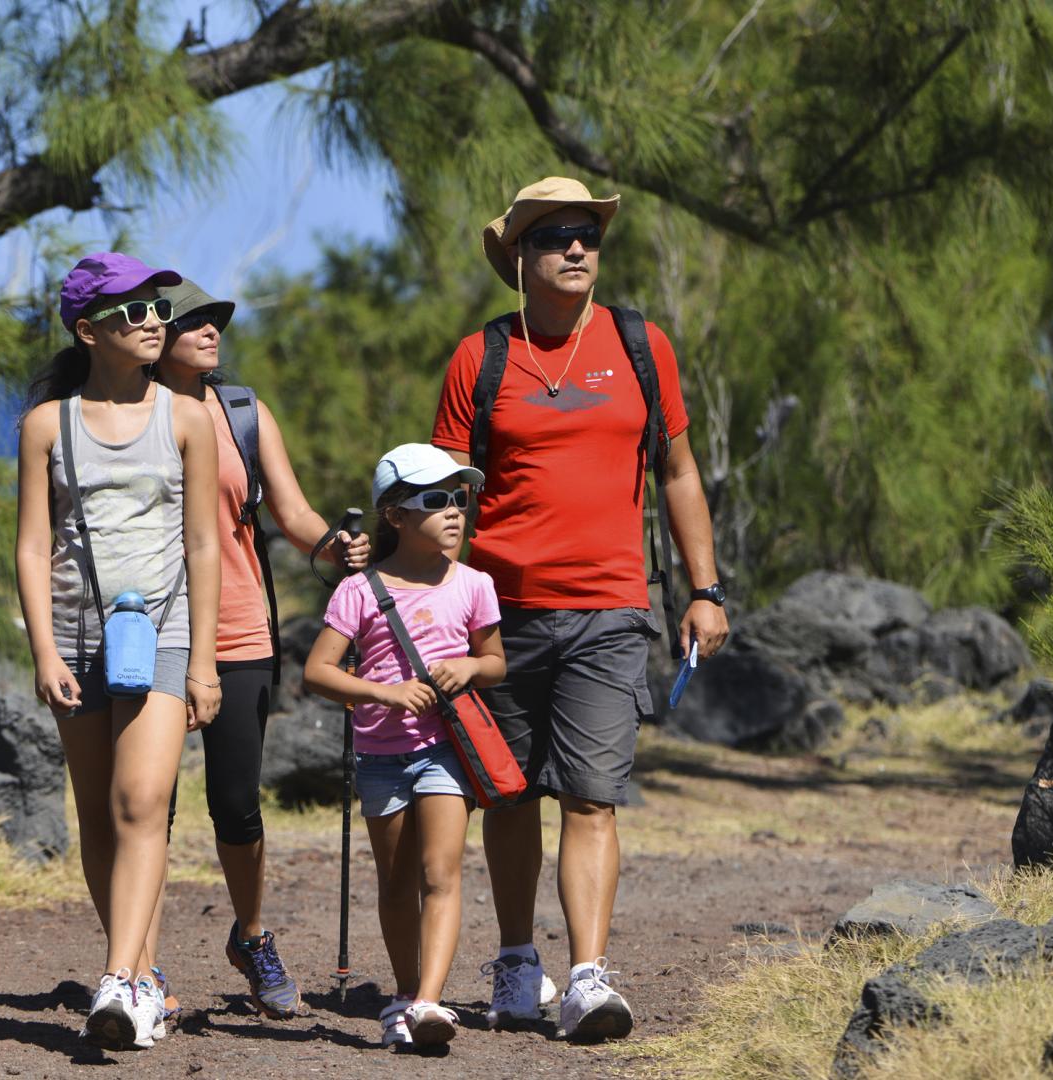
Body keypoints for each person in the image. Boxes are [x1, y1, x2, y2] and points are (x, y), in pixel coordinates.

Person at [430, 177, 730, 1040]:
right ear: (519, 258)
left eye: (588, 235)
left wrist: (704, 590)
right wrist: (426, 601)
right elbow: (444, 494)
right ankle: (520, 962)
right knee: (511, 794)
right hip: (500, 614)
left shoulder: (641, 346)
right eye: (556, 235)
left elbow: (677, 473)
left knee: (593, 797)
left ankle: (590, 974)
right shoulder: (478, 359)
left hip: (610, 608)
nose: (576, 248)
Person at [144, 277, 368, 1021]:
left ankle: (251, 936)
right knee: (149, 805)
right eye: (193, 320)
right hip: (148, 631)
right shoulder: (125, 411)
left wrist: (335, 547)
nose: (212, 329)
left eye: (217, 320)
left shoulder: (241, 411)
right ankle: (139, 960)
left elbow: (293, 511)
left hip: (241, 631)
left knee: (236, 804)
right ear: (153, 332)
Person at [15, 252, 222, 1051]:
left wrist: (203, 660)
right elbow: (35, 548)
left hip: (164, 630)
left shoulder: (186, 417)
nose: (151, 322)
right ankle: (145, 975)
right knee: (99, 815)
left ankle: (120, 979)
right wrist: (43, 651)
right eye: (131, 311)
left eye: (155, 309)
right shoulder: (47, 424)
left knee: (142, 804)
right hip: (75, 635)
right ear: (88, 329)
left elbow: (204, 544)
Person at [301, 444, 506, 1050]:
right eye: (435, 500)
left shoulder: (474, 583)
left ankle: (428, 1003)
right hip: (381, 756)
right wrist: (383, 693)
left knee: (440, 873)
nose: (453, 513)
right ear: (393, 515)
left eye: (460, 499)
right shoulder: (359, 591)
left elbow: (496, 662)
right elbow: (318, 672)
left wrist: (469, 669)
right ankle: (403, 990)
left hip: (447, 749)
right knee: (395, 884)